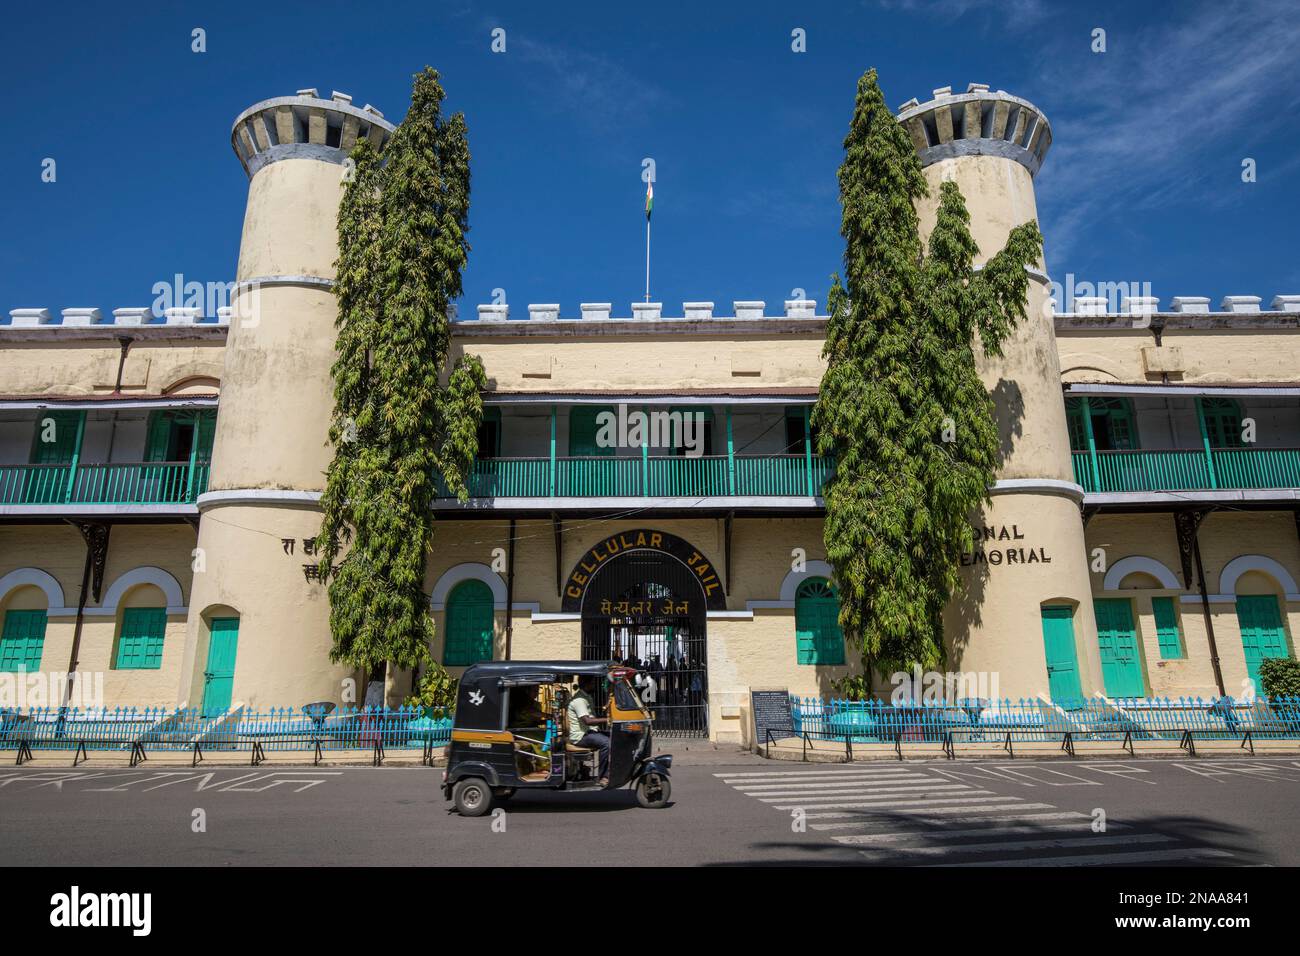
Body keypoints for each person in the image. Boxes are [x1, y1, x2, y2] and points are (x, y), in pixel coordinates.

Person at [566, 675, 610, 782]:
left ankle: (609, 770)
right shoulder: (579, 700)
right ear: (587, 684)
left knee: (615, 736)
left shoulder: (586, 697)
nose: (595, 685)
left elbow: (591, 716)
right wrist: (608, 719)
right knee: (606, 743)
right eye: (593, 683)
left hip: (589, 732)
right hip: (580, 736)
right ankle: (603, 776)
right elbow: (588, 721)